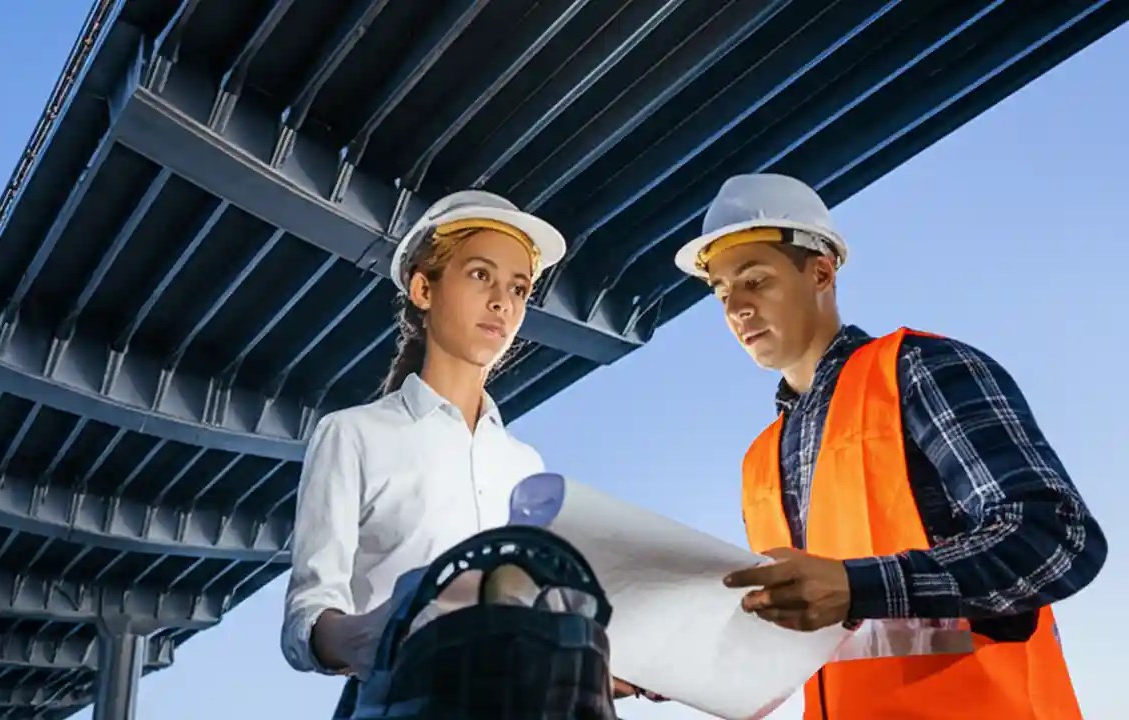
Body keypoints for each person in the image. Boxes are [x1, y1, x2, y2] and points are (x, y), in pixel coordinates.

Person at [671, 173, 1106, 719]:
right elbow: (796, 634)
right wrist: (666, 664)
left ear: (821, 272)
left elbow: (1055, 537)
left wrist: (857, 585)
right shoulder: (761, 462)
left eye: (756, 280)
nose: (736, 308)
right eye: (722, 292)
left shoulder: (920, 372)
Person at [280, 189, 647, 715]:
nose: (503, 301)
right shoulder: (352, 434)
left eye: (518, 288)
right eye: (480, 275)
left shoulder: (526, 464)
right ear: (423, 288)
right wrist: (368, 636)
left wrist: (606, 665)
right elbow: (305, 620)